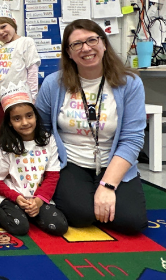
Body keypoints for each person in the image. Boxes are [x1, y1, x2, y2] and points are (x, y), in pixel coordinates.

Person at [35, 18, 148, 235]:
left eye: (92, 40)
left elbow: (132, 139)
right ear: (68, 52)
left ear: (104, 43)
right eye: (76, 44)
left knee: (132, 223)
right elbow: (43, 130)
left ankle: (103, 190)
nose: (86, 48)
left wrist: (107, 186)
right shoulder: (53, 83)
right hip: (71, 162)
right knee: (80, 216)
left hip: (112, 161)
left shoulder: (130, 83)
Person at [0, 86, 67, 236]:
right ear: (10, 122)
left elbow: (52, 176)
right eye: (17, 118)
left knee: (59, 226)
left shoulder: (48, 141)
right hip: (13, 197)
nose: (25, 122)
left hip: (38, 198)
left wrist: (38, 201)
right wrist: (16, 197)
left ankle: (31, 213)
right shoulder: (6, 147)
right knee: (19, 228)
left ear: (36, 116)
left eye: (29, 116)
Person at [0, 3, 41, 129]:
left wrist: (32, 98)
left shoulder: (25, 42)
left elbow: (32, 71)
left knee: (13, 129)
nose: (1, 32)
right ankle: (3, 149)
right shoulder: (0, 50)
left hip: (16, 96)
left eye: (3, 26)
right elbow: (0, 75)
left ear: (13, 22)